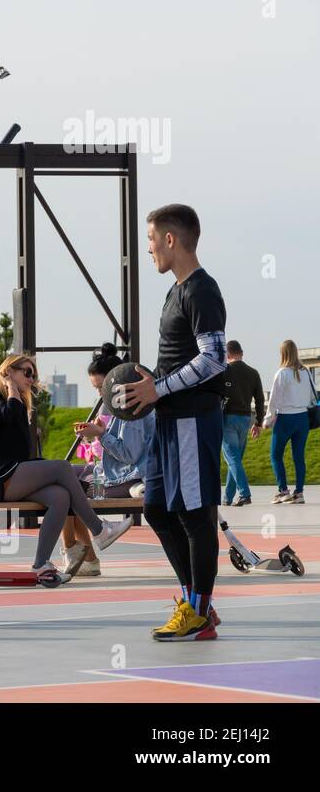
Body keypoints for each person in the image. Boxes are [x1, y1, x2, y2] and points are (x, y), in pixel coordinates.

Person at [113, 204, 226, 641]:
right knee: (157, 509)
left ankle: (198, 612)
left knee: (195, 515)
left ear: (171, 239)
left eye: (151, 239)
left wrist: (158, 388)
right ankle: (196, 603)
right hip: (168, 421)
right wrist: (148, 383)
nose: (149, 248)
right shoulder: (174, 292)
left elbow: (213, 360)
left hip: (193, 419)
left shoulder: (202, 290)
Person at [0, 353, 133, 585]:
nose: (31, 379)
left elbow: (20, 451)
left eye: (34, 375)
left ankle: (40, 564)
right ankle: (99, 530)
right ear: (8, 371)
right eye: (27, 372)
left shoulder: (17, 404)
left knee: (60, 496)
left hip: (6, 475)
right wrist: (10, 386)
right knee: (62, 468)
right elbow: (7, 414)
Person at [61, 342, 155, 576]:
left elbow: (129, 454)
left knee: (63, 487)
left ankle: (79, 553)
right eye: (96, 388)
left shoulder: (130, 408)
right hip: (116, 472)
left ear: (115, 383)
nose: (99, 394)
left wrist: (101, 435)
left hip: (127, 477)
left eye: (100, 387)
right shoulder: (120, 404)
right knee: (59, 471)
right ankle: (88, 549)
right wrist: (98, 433)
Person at [263, 339, 313, 505]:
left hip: (285, 418)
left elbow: (274, 400)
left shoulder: (282, 373)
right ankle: (299, 493)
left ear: (283, 353)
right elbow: (312, 395)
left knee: (275, 455)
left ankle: (283, 491)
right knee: (299, 457)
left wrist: (268, 419)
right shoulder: (306, 372)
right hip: (303, 418)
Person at [220, 340, 264, 506]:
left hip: (227, 418)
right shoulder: (253, 373)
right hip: (245, 419)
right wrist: (258, 422)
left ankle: (245, 494)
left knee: (232, 458)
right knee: (235, 459)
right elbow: (260, 399)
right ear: (242, 353)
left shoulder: (223, 371)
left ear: (227, 354)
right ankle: (228, 498)